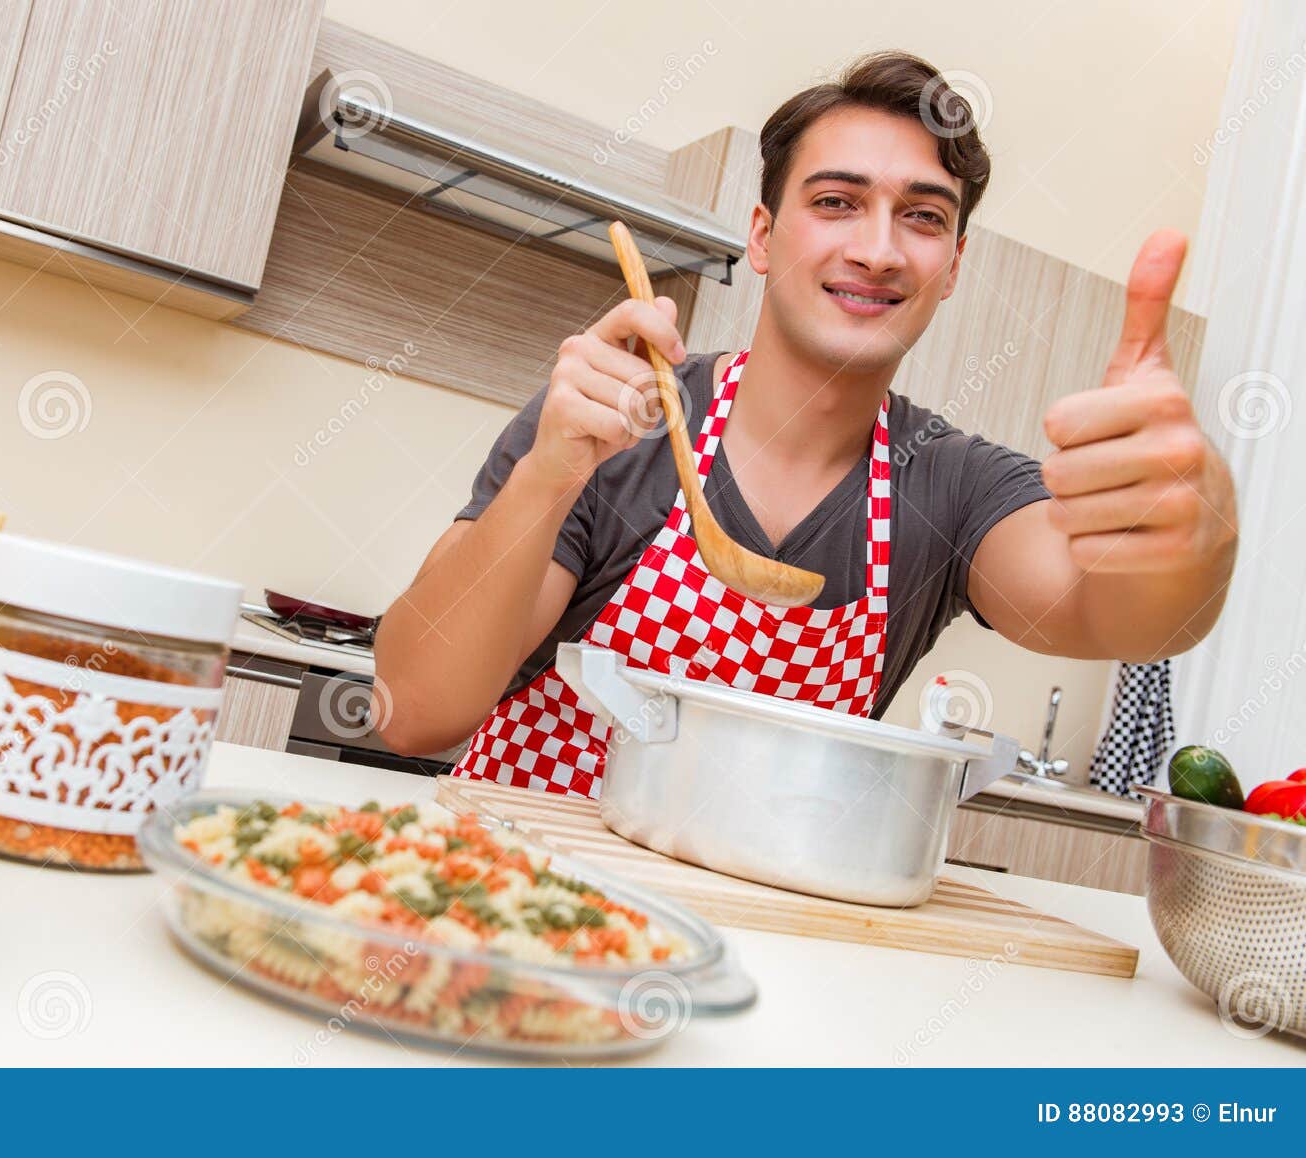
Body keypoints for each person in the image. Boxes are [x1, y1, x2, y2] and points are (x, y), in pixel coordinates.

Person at [373, 52, 1237, 798]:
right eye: (835, 202)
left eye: (925, 217)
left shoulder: (950, 484)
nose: (879, 249)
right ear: (763, 233)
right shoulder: (608, 421)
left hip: (747, 965)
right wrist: (550, 474)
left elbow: (1126, 615)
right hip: (510, 913)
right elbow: (414, 713)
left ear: (954, 266)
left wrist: (1191, 518)